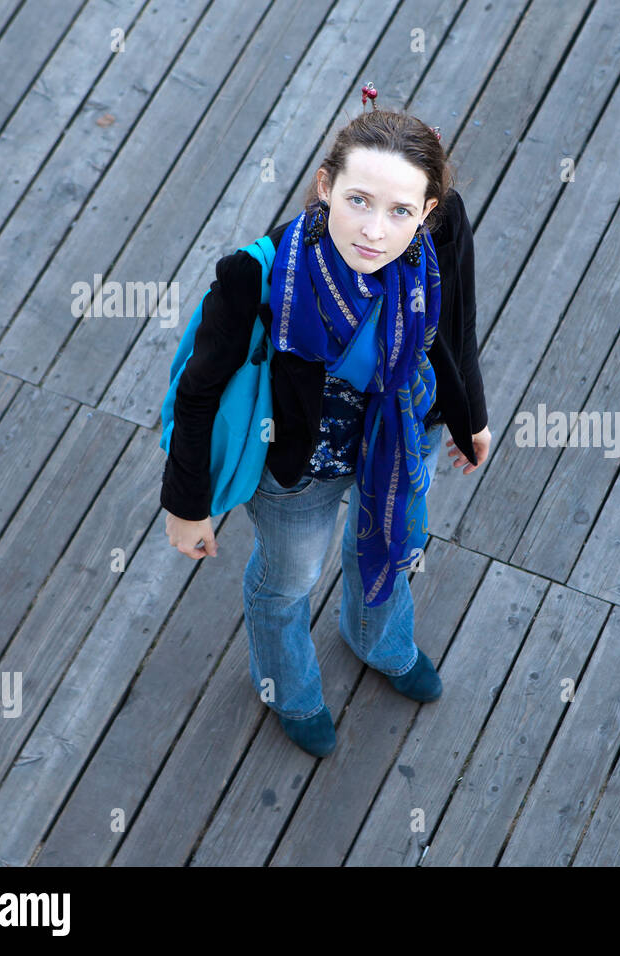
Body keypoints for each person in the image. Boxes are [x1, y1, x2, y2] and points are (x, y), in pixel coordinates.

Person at [160, 88, 490, 757]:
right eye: (358, 201)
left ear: (427, 212)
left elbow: (452, 328)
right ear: (325, 186)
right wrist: (185, 508)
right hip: (298, 469)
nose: (374, 230)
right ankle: (289, 686)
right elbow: (197, 395)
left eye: (401, 211)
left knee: (392, 545)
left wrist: (468, 417)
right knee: (288, 582)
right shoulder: (256, 277)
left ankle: (378, 639)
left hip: (400, 439)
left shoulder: (444, 228)